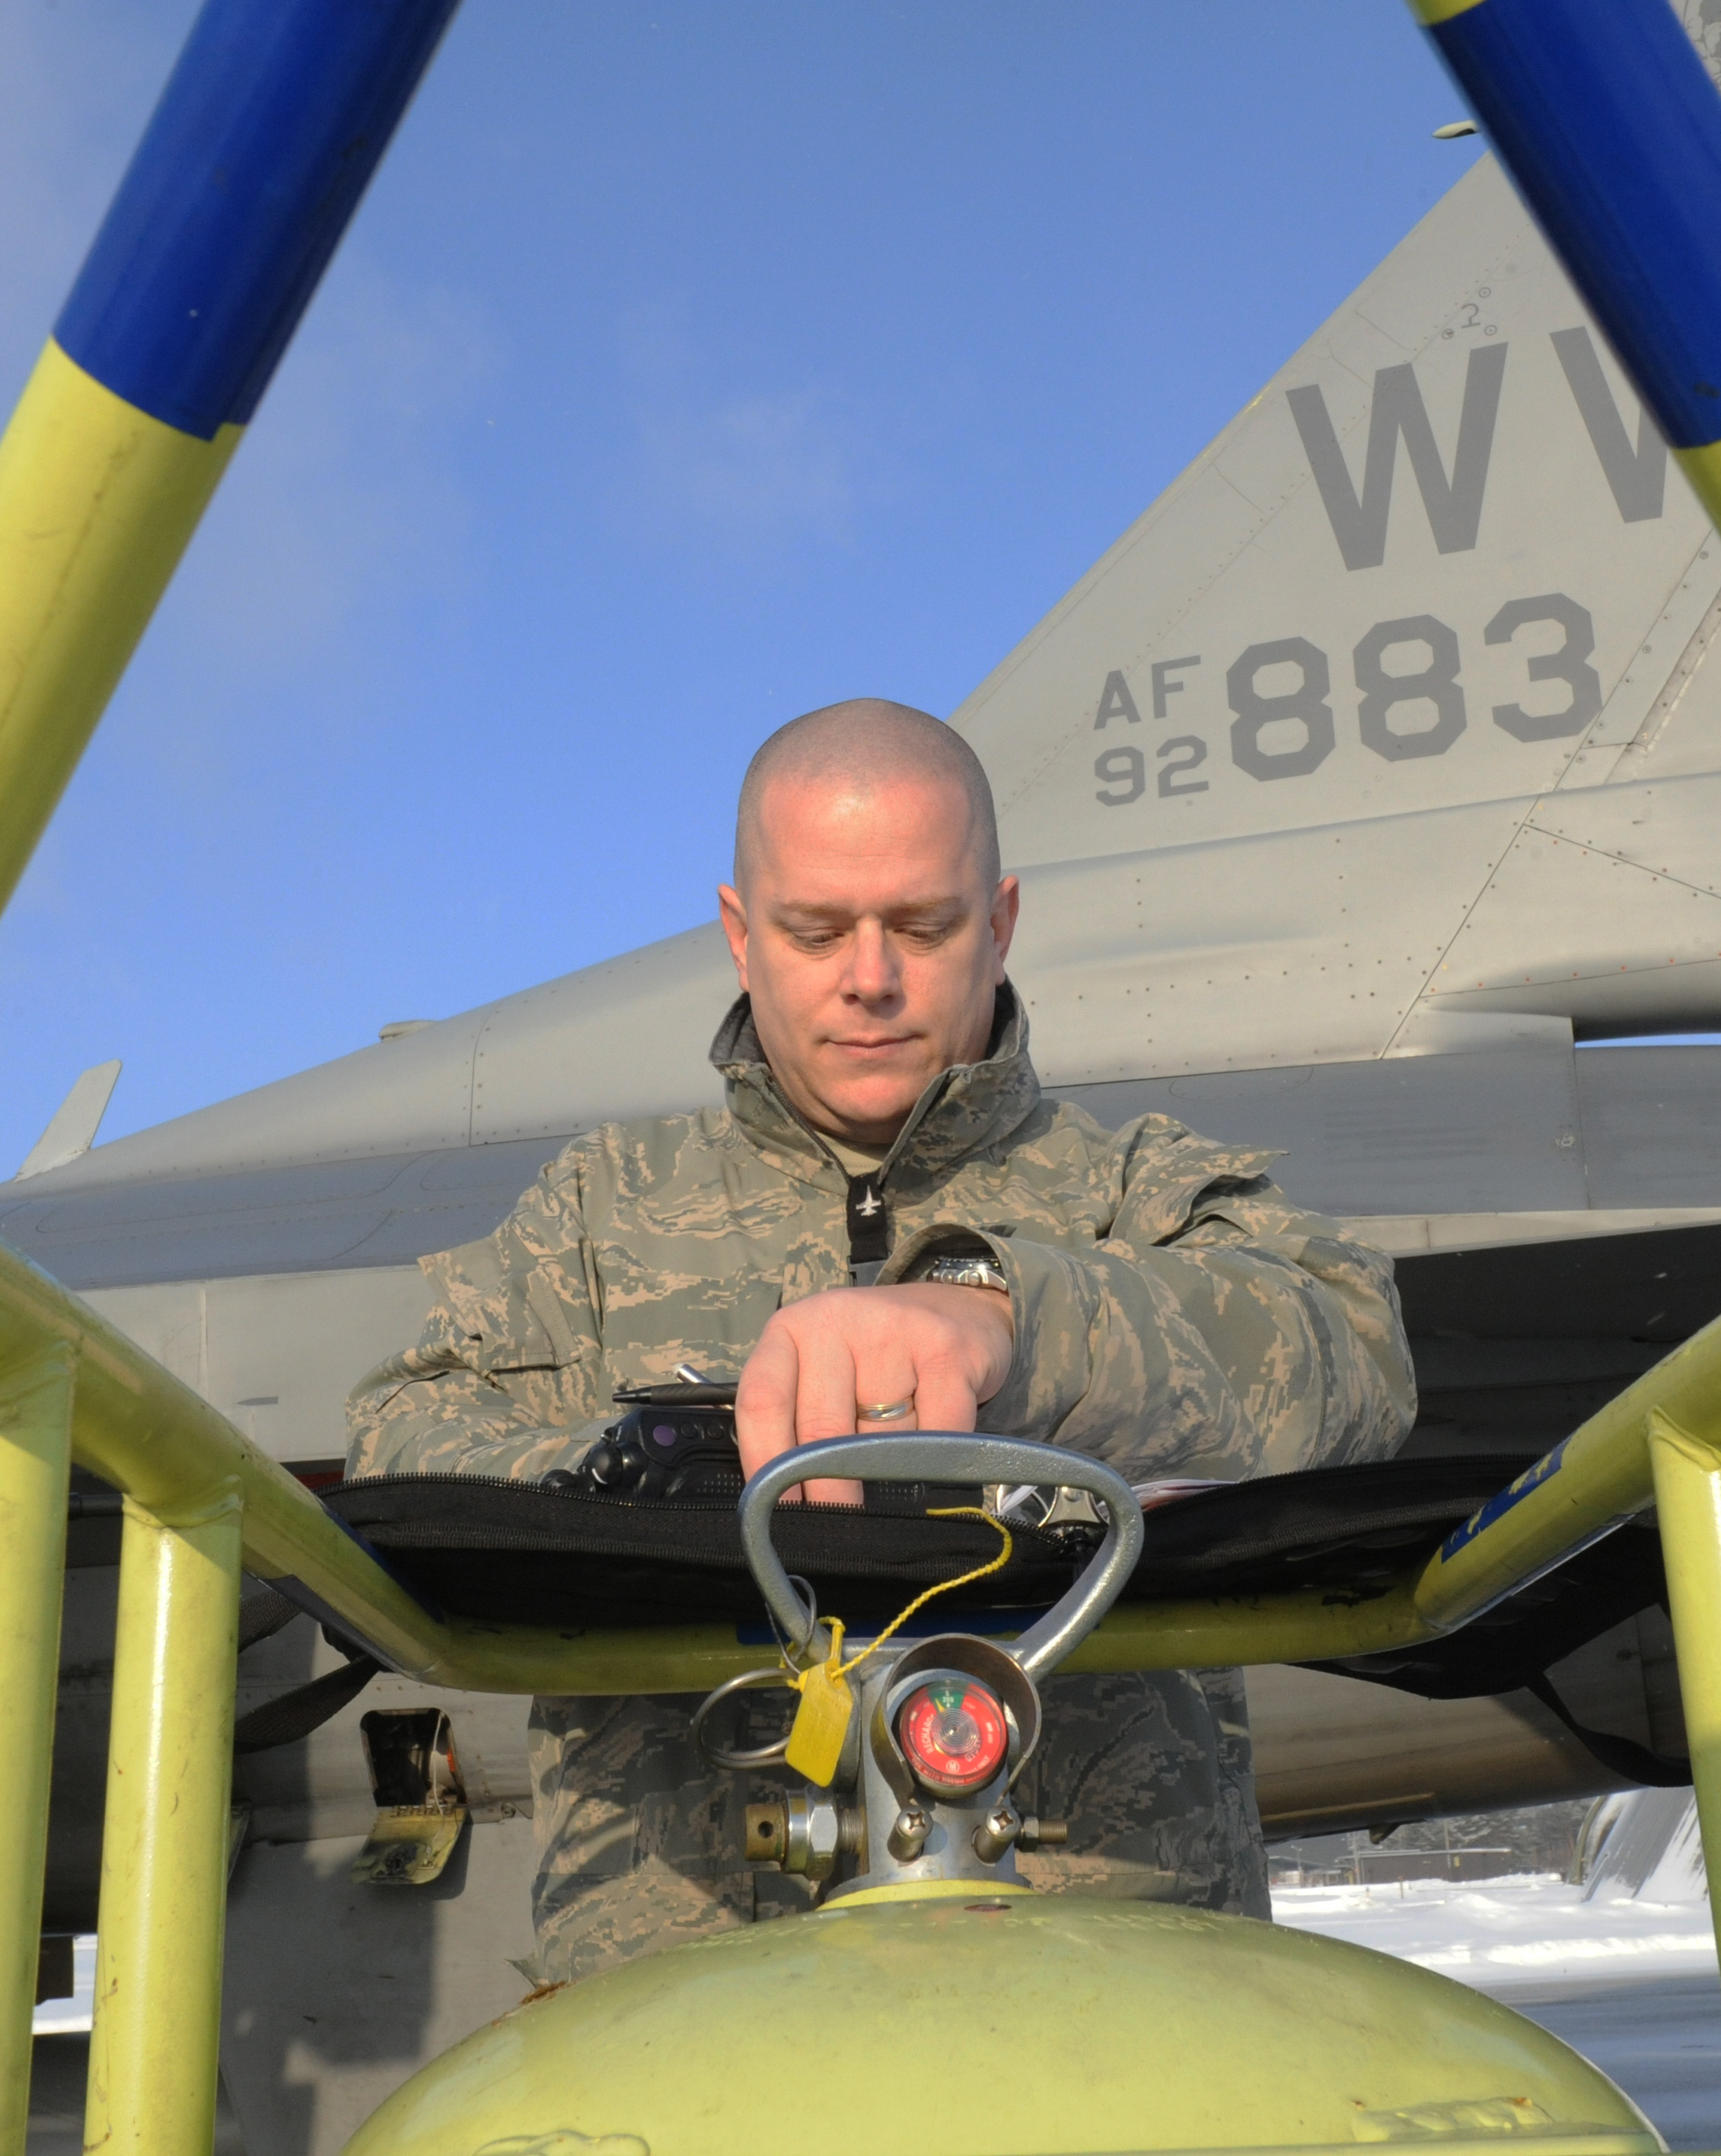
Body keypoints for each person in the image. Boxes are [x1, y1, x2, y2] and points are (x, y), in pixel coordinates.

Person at [347, 698, 1417, 1983]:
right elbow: (402, 1439)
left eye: (924, 925)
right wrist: (659, 1474)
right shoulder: (592, 1215)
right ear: (742, 936)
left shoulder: (1132, 1192)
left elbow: (1355, 1356)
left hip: (1113, 1990)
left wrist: (1011, 1317)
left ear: (1002, 921)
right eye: (815, 930)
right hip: (692, 2017)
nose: (870, 976)